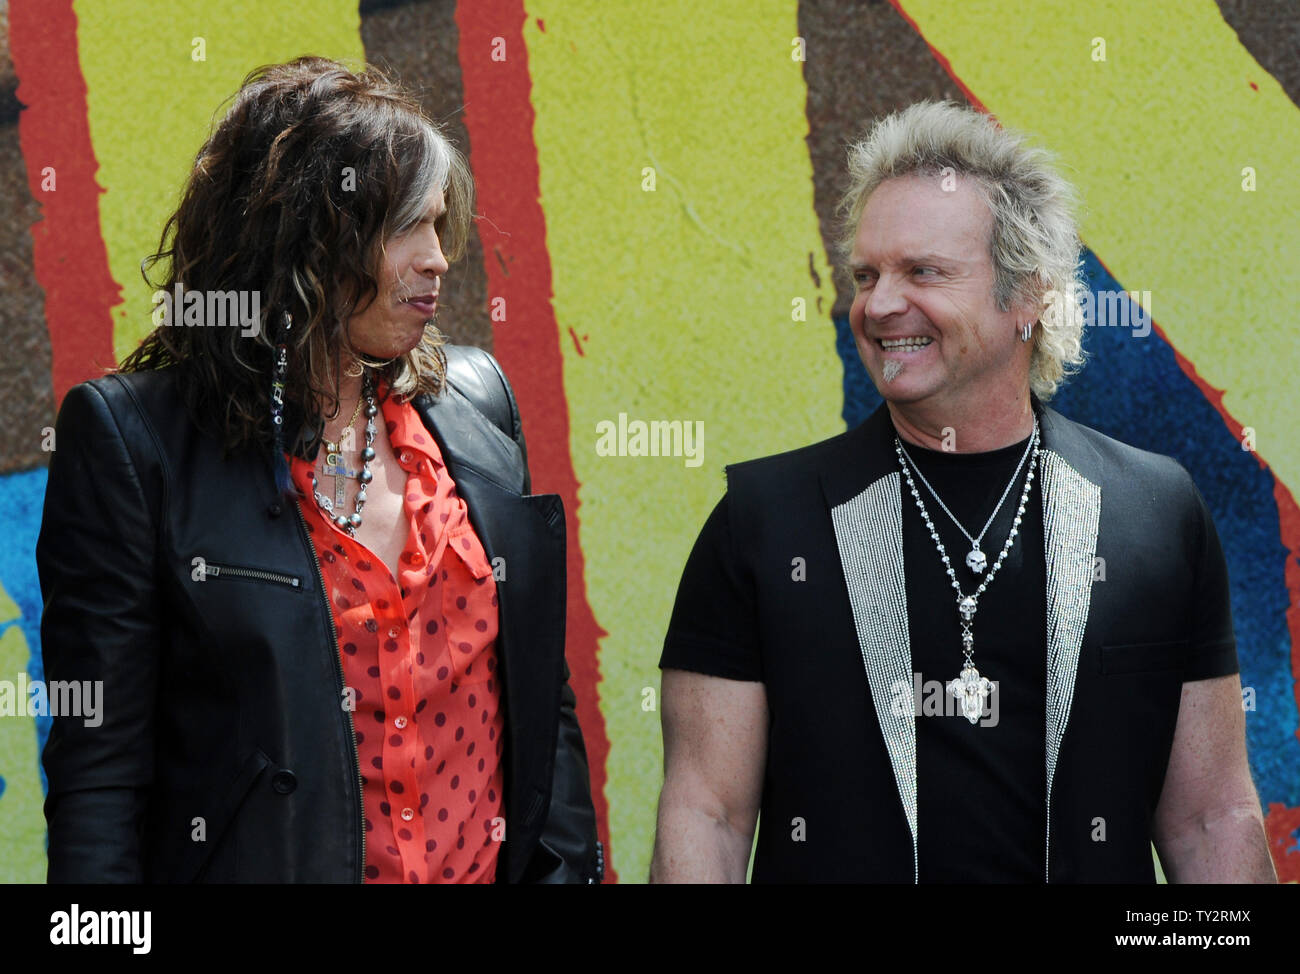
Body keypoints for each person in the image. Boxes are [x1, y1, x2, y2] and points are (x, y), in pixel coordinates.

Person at [650, 100, 1276, 883]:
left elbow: (1212, 820)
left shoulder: (1155, 512)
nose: (878, 305)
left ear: (1027, 300)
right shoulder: (763, 522)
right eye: (867, 274)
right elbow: (706, 814)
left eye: (923, 272)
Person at [37, 56, 602, 884]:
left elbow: (539, 704)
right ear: (307, 238)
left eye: (440, 225)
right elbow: (100, 776)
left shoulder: (477, 407)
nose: (439, 258)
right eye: (406, 227)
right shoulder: (135, 442)